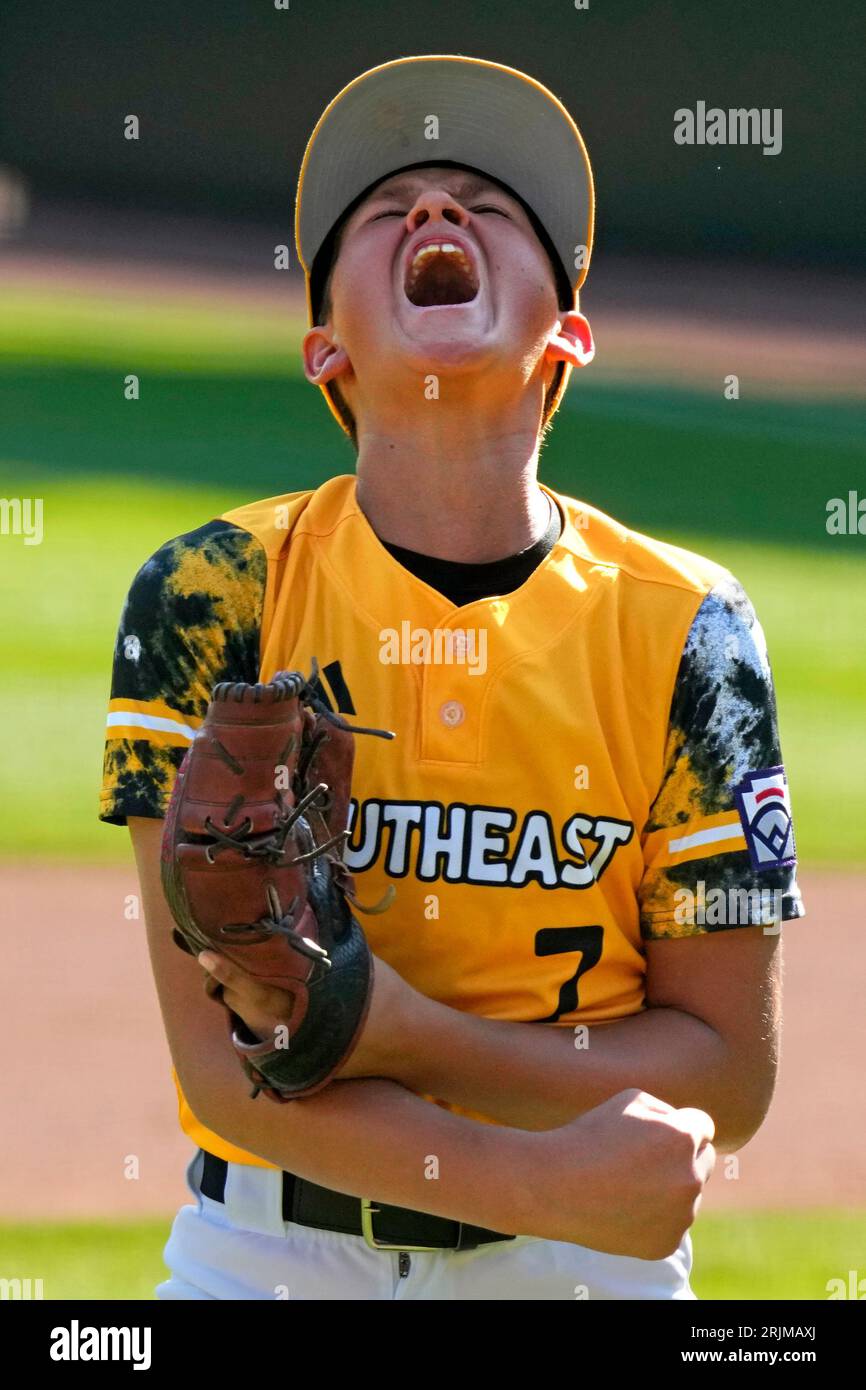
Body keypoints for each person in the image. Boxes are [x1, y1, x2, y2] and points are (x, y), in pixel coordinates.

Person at [100, 56, 802, 1301]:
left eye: (487, 206)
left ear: (566, 334)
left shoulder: (689, 624)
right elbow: (219, 1077)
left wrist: (392, 1033)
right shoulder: (212, 589)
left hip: (580, 1271)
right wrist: (533, 1177)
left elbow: (724, 1076)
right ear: (323, 348)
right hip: (268, 1258)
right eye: (387, 210)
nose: (434, 210)